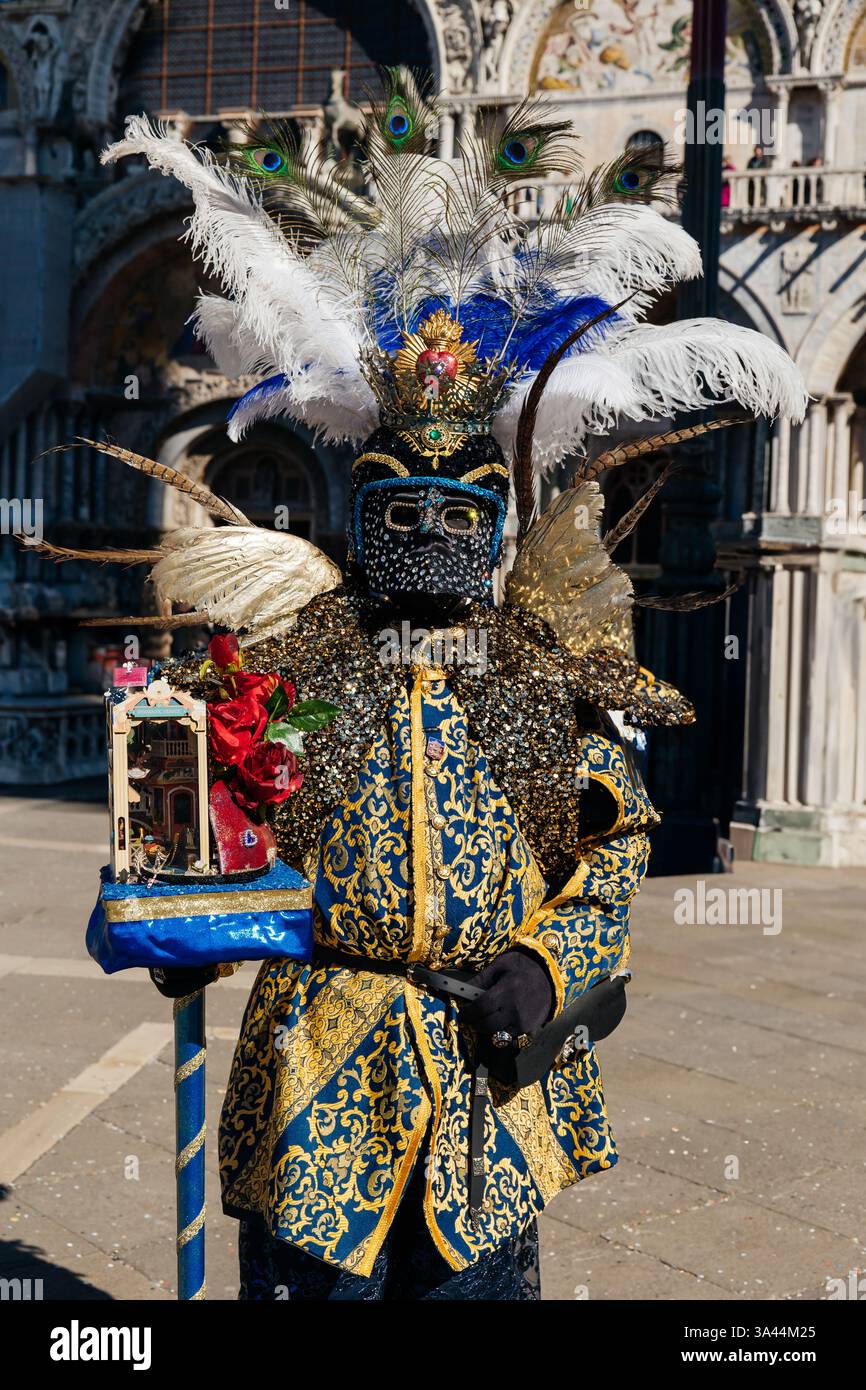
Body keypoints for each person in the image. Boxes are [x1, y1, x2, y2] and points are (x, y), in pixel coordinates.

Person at [64, 69, 806, 1300]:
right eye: (394, 509)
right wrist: (188, 921)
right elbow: (218, 813)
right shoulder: (295, 657)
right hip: (315, 1073)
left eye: (449, 512)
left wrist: (552, 964)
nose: (421, 533)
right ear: (359, 512)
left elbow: (613, 847)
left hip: (482, 1083)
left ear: (492, 522)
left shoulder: (539, 666)